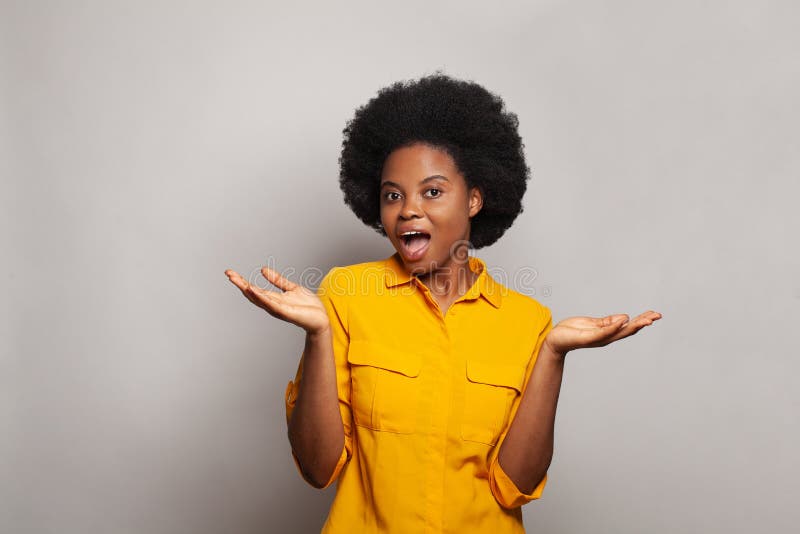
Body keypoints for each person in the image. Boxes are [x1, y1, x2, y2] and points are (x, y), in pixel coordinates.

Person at [225, 72, 662, 533]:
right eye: (393, 195)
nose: (408, 209)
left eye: (432, 191)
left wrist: (554, 353)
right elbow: (318, 468)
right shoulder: (345, 296)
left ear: (474, 199)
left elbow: (514, 486)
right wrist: (317, 336)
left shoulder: (528, 322)